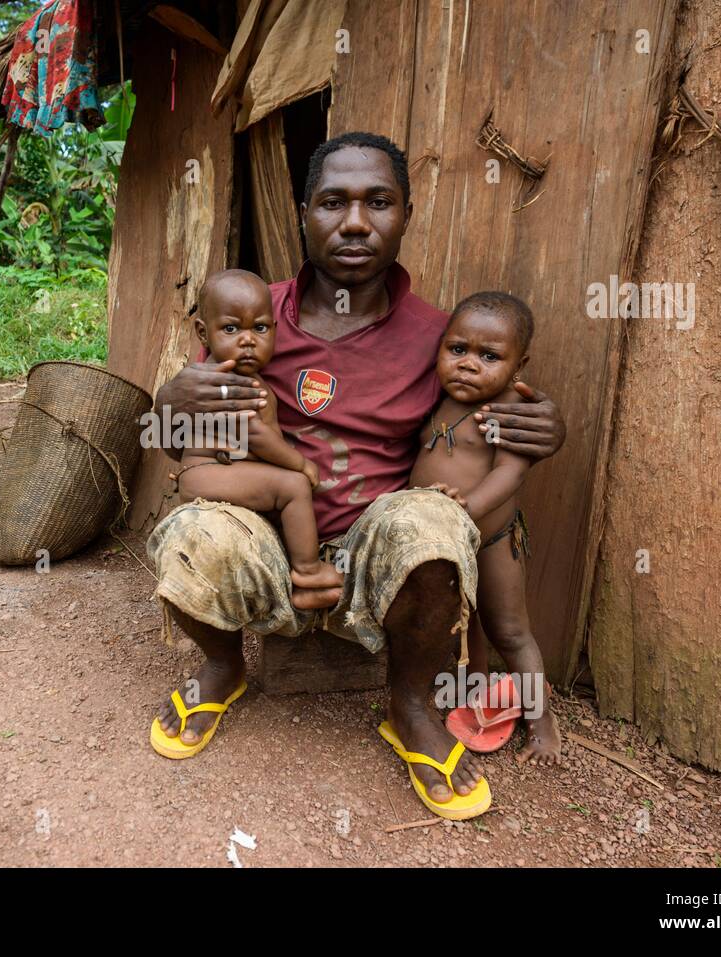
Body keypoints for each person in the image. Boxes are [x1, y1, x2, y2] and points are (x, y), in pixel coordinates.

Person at [146, 131, 566, 819]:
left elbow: (501, 416)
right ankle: (224, 666)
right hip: (267, 542)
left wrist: (546, 430)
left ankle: (410, 704)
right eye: (333, 202)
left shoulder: (441, 339)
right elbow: (178, 442)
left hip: (372, 559)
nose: (354, 222)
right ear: (303, 211)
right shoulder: (247, 313)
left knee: (432, 520)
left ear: (406, 214)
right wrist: (170, 400)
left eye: (378, 202)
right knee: (193, 531)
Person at [408, 290, 563, 766]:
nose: (468, 365)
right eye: (457, 349)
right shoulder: (438, 398)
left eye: (489, 357)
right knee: (463, 621)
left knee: (509, 630)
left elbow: (510, 474)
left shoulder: (507, 410)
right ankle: (470, 696)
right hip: (442, 540)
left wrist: (464, 510)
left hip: (490, 541)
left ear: (519, 365)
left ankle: (543, 724)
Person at [169, 268, 343, 596]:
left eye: (260, 328)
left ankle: (293, 576)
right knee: (294, 486)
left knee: (280, 492)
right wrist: (301, 463)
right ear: (203, 333)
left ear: (275, 330)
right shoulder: (226, 383)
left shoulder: (237, 378)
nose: (248, 340)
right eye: (231, 328)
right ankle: (308, 571)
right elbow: (253, 434)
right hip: (208, 473)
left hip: (216, 472)